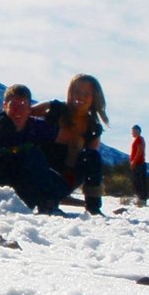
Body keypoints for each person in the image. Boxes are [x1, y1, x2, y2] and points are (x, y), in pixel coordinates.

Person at [0, 84, 68, 214]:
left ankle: (46, 202)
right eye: (13, 105)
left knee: (60, 184)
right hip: (5, 179)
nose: (18, 110)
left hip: (29, 179)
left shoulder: (38, 127)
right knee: (33, 155)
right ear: (4, 106)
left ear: (29, 108)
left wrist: (52, 106)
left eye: (23, 105)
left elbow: (67, 137)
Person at [37, 73, 107, 214]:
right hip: (40, 170)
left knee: (92, 156)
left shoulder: (93, 128)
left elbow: (91, 163)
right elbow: (23, 114)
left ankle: (93, 206)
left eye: (86, 93)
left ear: (95, 97)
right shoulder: (55, 109)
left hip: (66, 176)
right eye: (77, 92)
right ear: (70, 92)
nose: (80, 97)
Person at [130, 124, 148, 204]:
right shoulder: (137, 139)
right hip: (138, 164)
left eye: (134, 131)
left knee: (139, 182)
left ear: (138, 131)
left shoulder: (139, 139)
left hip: (139, 164)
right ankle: (140, 197)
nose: (132, 133)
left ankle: (142, 198)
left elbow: (140, 150)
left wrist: (134, 161)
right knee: (137, 181)